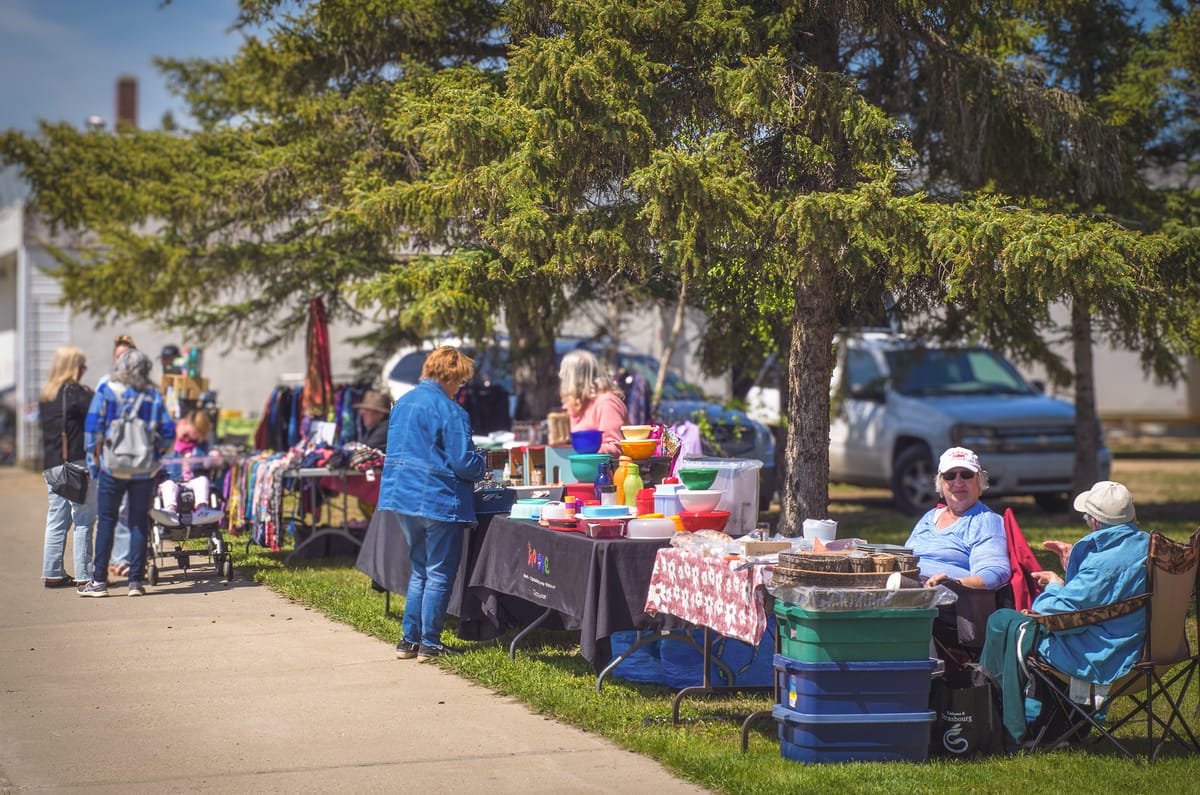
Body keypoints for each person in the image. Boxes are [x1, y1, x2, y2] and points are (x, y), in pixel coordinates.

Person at [981, 480, 1150, 747]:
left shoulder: (1103, 566)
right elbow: (1100, 600)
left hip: (1103, 654)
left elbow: (1053, 613)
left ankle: (1004, 724)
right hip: (1145, 649)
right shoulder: (1149, 548)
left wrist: (1057, 584)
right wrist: (1076, 569)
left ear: (1094, 521)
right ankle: (1056, 721)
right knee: (1008, 622)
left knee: (1006, 622)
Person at [378, 346, 484, 661]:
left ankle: (409, 640)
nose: (461, 387)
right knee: (439, 571)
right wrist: (482, 464)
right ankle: (430, 642)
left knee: (421, 570)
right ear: (451, 377)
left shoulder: (403, 403)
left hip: (403, 496)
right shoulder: (450, 410)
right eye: (461, 381)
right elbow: (463, 462)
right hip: (437, 497)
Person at [78, 348, 175, 597]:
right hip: (144, 469)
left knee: (107, 522)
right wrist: (157, 455)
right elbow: (168, 433)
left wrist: (94, 463)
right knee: (138, 522)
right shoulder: (153, 394)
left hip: (112, 467)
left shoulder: (107, 391)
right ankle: (135, 582)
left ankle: (98, 581)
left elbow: (92, 431)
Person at [905, 446, 1011, 590]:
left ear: (978, 481)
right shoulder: (929, 517)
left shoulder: (986, 521)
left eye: (966, 475)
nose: (958, 483)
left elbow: (995, 572)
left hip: (947, 598)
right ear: (941, 483)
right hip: (907, 585)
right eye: (950, 476)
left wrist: (954, 584)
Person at [38, 346, 95, 587]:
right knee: (83, 519)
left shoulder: (47, 394)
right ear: (75, 367)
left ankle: (52, 572)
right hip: (75, 464)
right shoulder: (78, 394)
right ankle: (86, 576)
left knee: (57, 519)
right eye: (82, 366)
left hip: (51, 465)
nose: (84, 370)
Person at [101, 334, 137, 581]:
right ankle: (108, 561)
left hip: (135, 458)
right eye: (117, 356)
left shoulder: (141, 385)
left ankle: (121, 559)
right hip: (110, 456)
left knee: (126, 509)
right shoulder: (105, 384)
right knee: (108, 513)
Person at [558, 348, 629, 456]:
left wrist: (580, 452)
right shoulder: (575, 405)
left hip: (607, 471)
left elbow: (616, 446)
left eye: (564, 377)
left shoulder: (606, 403)